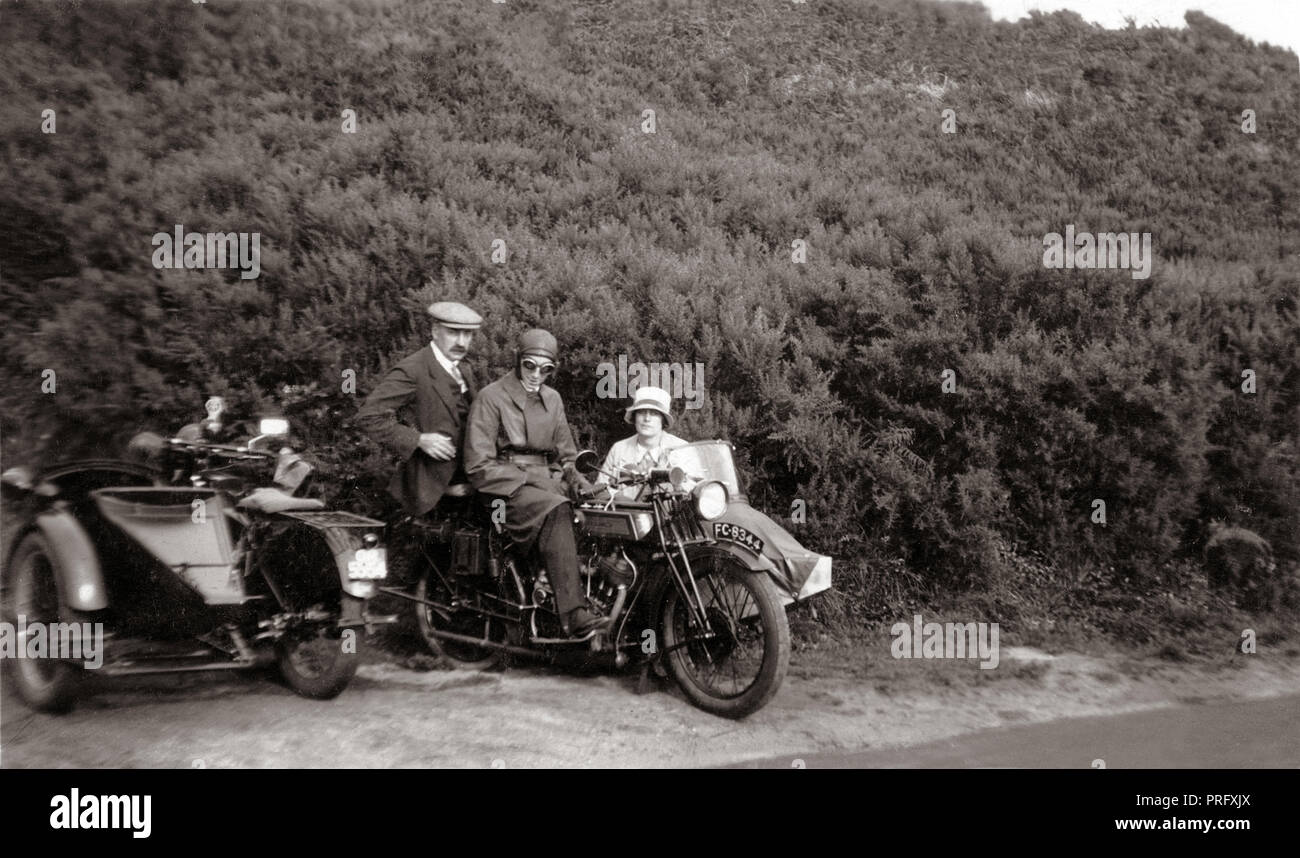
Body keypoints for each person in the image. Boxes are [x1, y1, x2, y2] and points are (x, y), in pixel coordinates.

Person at [463, 329, 607, 637]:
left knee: (604, 510)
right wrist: (534, 479)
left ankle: (590, 596)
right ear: (517, 361)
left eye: (546, 369)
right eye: (530, 365)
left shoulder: (553, 400)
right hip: (502, 490)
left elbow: (567, 456)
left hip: (547, 485)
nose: (536, 375)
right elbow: (478, 466)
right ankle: (572, 615)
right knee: (555, 508)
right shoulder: (491, 397)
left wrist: (578, 479)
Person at [355, 301, 482, 517]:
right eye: (453, 333)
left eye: (468, 335)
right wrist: (419, 440)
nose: (462, 342)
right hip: (430, 491)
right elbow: (368, 417)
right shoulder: (413, 370)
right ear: (435, 331)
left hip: (466, 484)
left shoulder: (464, 369)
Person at [594, 386, 688, 501]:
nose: (647, 419)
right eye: (642, 412)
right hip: (628, 516)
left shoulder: (682, 449)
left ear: (663, 419)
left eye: (654, 413)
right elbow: (599, 491)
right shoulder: (619, 449)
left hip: (669, 517)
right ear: (634, 417)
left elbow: (697, 492)